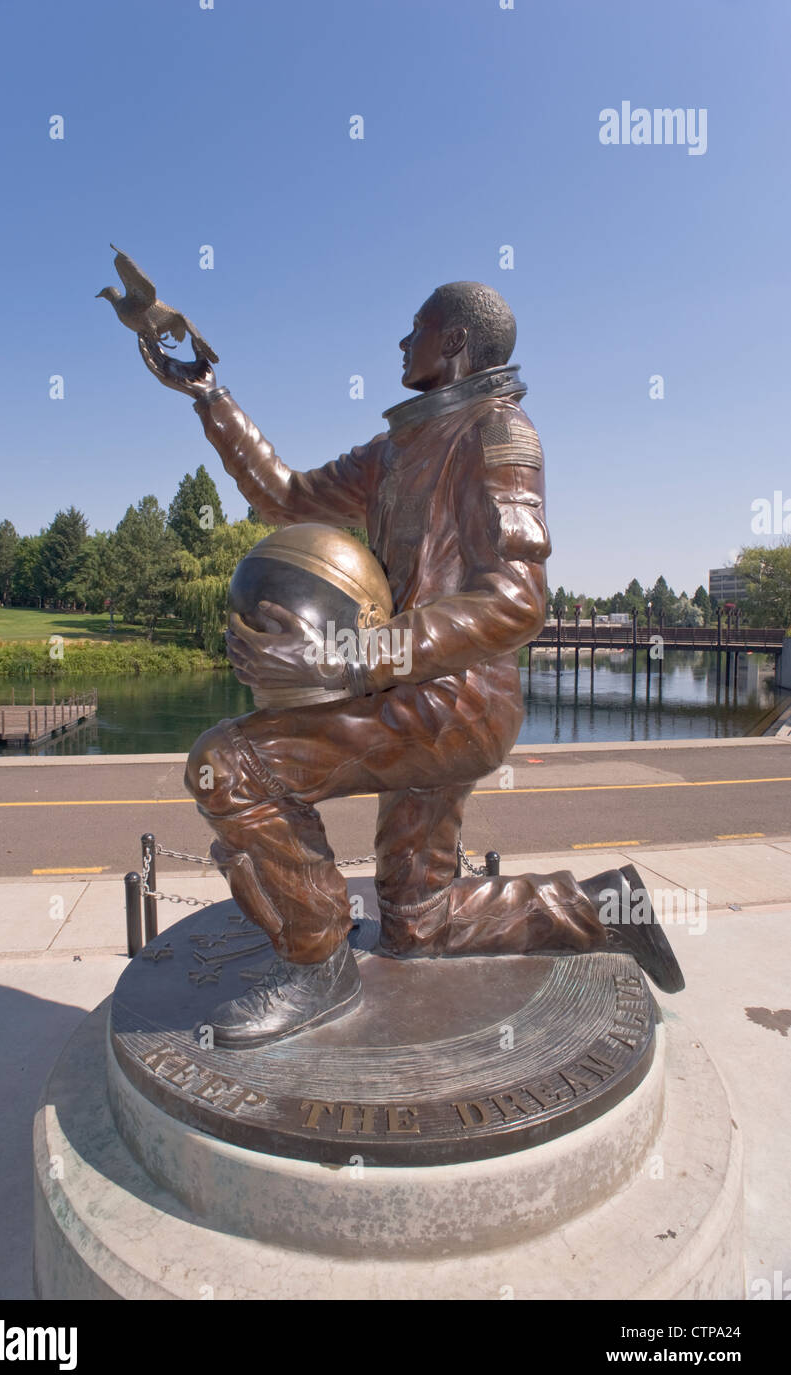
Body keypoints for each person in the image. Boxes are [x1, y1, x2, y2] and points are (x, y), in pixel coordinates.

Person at [138, 281, 683, 1047]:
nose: (402, 344)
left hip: (454, 701)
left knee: (230, 765)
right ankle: (599, 908)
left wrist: (355, 655)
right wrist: (209, 396)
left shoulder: (499, 435)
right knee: (415, 922)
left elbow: (516, 603)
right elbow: (285, 496)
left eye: (416, 330)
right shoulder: (396, 447)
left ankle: (317, 967)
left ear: (454, 343)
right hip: (411, 693)